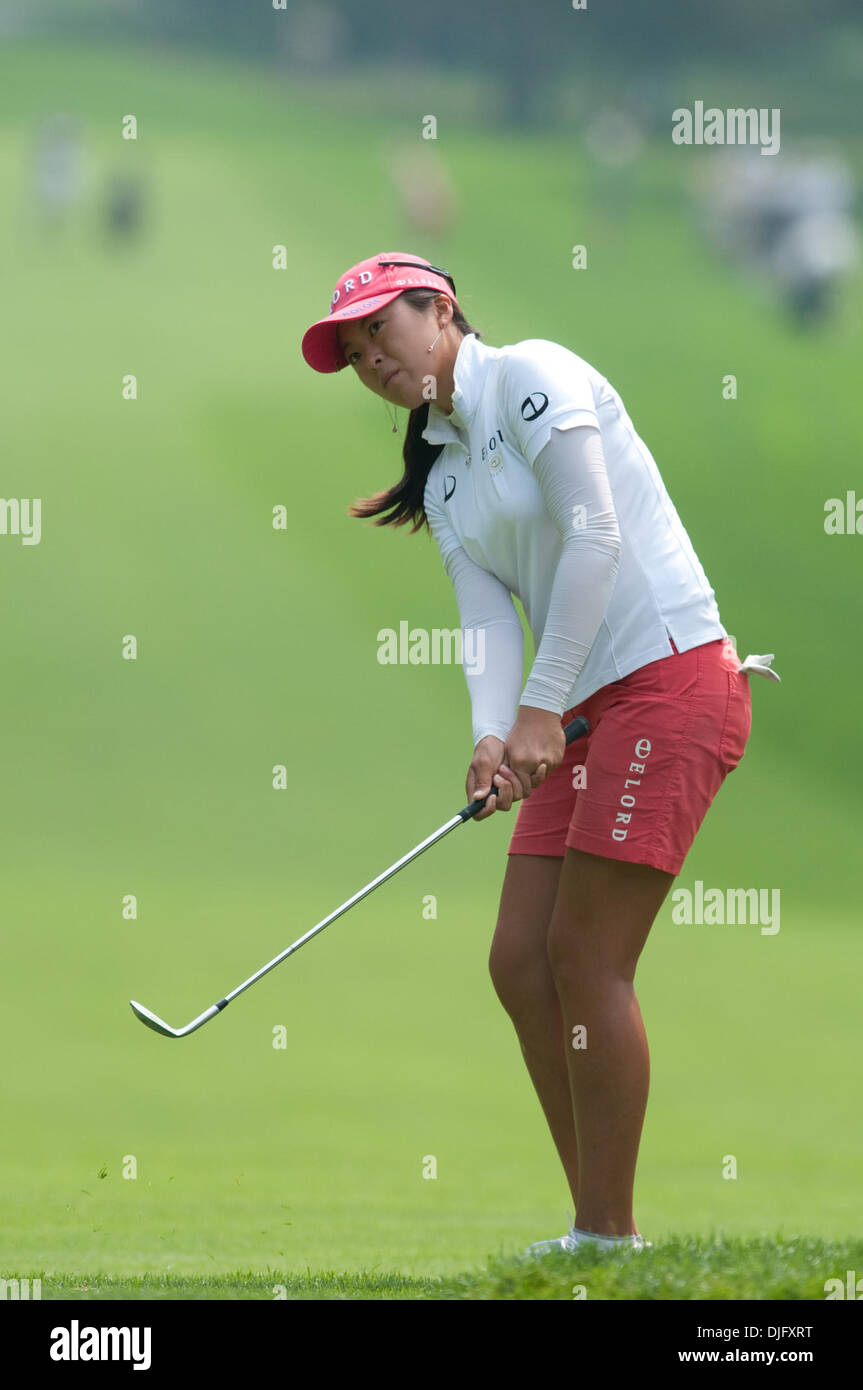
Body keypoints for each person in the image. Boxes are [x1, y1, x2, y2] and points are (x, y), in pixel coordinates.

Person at [301, 252, 779, 1256]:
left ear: (441, 312)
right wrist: (492, 730)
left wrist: (536, 712)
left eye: (378, 331)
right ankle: (593, 1227)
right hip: (579, 709)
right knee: (519, 961)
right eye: (351, 353)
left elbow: (594, 536)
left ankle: (607, 1237)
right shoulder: (439, 468)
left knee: (584, 956)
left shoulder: (531, 376)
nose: (369, 360)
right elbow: (485, 619)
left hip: (669, 678)